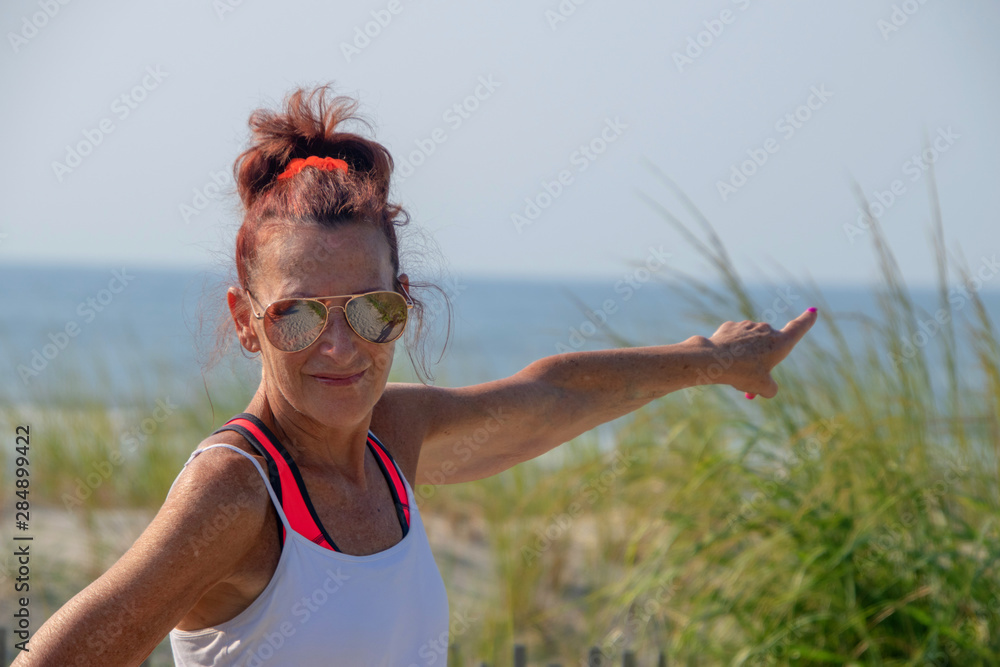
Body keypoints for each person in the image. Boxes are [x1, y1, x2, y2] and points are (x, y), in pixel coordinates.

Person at [13, 84, 817, 666]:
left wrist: (714, 360)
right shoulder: (237, 492)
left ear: (403, 305)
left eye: (371, 311)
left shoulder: (394, 442)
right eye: (298, 314)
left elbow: (551, 395)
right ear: (246, 320)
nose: (340, 346)